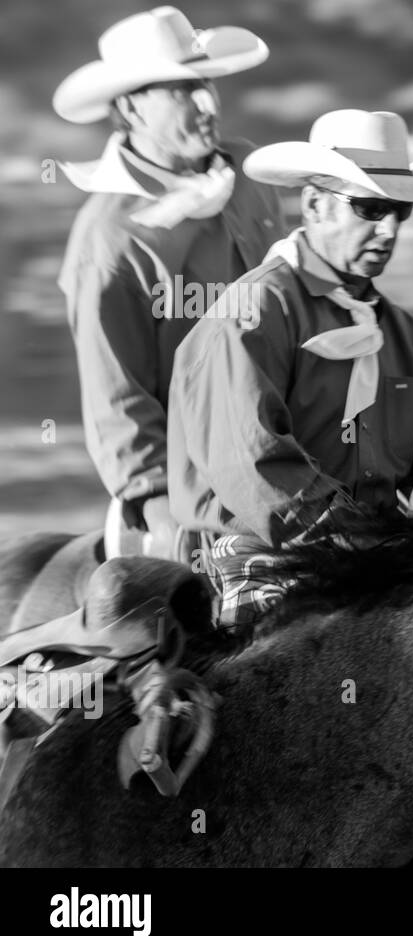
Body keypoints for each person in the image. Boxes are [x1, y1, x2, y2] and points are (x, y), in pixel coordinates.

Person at [168, 109, 413, 622]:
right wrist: (362, 541)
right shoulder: (252, 316)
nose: (390, 228)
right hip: (260, 555)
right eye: (371, 208)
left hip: (372, 546)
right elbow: (255, 469)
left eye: (400, 210)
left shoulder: (397, 328)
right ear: (315, 206)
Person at [53, 6, 284, 560]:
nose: (207, 102)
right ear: (130, 107)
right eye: (181, 91)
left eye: (205, 82)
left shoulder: (252, 175)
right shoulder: (107, 244)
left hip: (286, 454)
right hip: (194, 491)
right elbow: (118, 401)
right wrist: (163, 510)